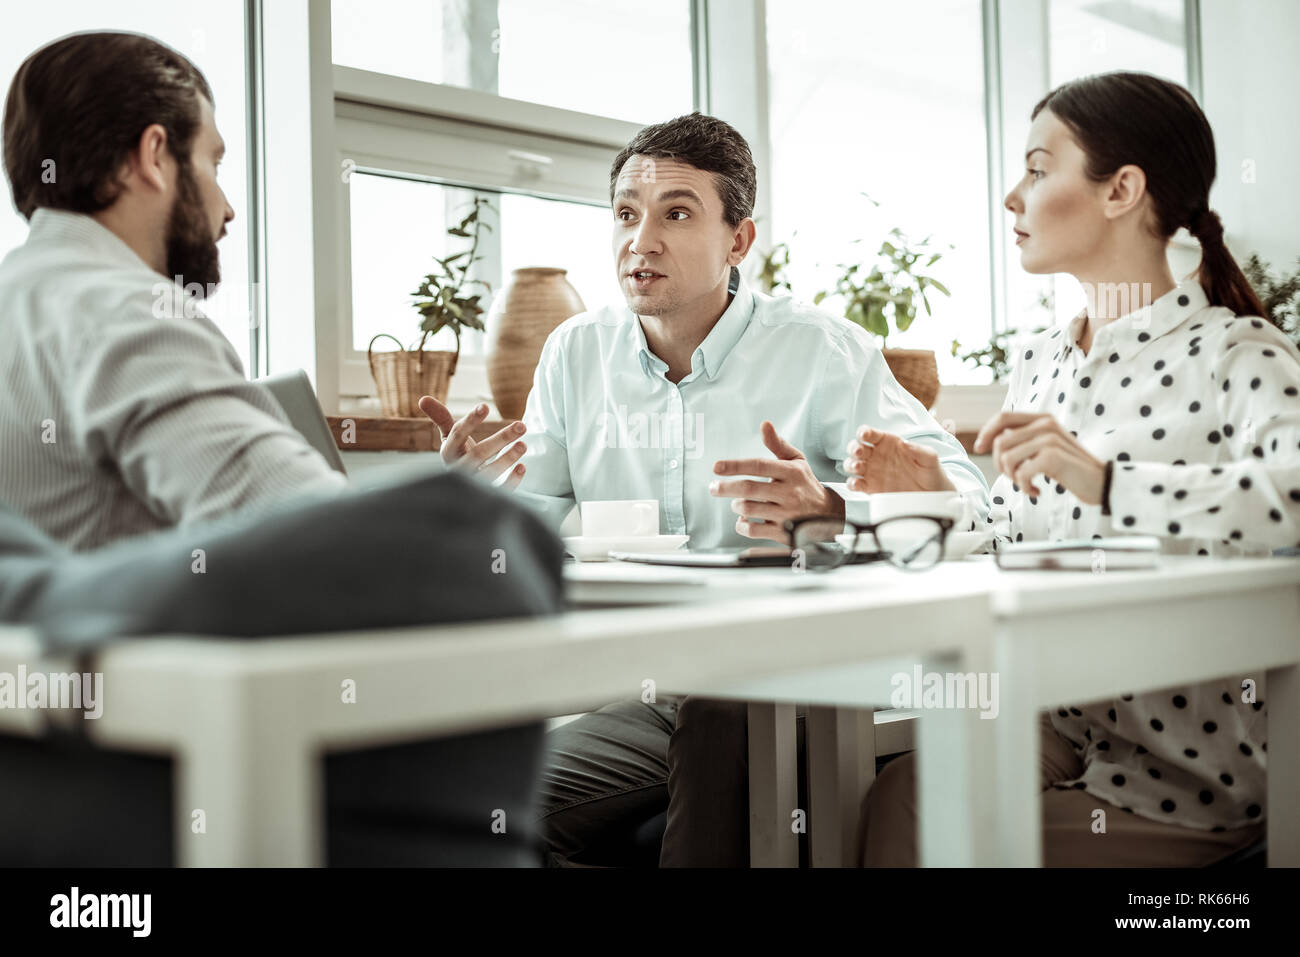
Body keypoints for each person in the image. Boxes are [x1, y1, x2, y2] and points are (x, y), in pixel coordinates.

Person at [0, 31, 550, 865]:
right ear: (154, 155)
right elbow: (319, 544)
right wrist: (439, 510)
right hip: (147, 778)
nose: (225, 208)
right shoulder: (131, 312)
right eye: (213, 162)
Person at [425, 112, 992, 866]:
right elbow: (540, 517)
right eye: (627, 213)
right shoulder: (574, 353)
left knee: (723, 716)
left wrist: (833, 509)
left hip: (793, 686)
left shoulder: (821, 351)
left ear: (739, 240)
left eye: (677, 213)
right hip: (645, 691)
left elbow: (973, 511)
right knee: (465, 822)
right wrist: (472, 501)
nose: (641, 239)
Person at [853, 71, 1297, 866]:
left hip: (1190, 778)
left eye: (1037, 167)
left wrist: (1109, 481)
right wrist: (936, 501)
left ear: (1121, 189)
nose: (1011, 198)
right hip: (1062, 723)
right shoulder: (1044, 363)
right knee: (904, 796)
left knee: (952, 838)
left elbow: (1292, 493)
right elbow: (1011, 536)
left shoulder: (1235, 353)